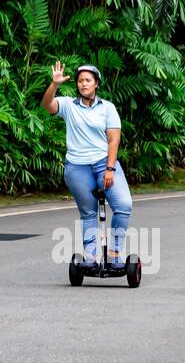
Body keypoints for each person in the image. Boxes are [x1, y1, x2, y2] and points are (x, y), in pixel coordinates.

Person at [42, 61, 133, 269]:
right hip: (77, 167)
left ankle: (114, 253)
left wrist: (110, 169)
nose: (84, 84)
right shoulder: (68, 105)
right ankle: (91, 256)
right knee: (89, 212)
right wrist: (54, 84)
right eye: (80, 81)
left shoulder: (108, 108)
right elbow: (47, 105)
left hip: (104, 163)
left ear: (96, 84)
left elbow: (113, 140)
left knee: (123, 206)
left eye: (88, 80)